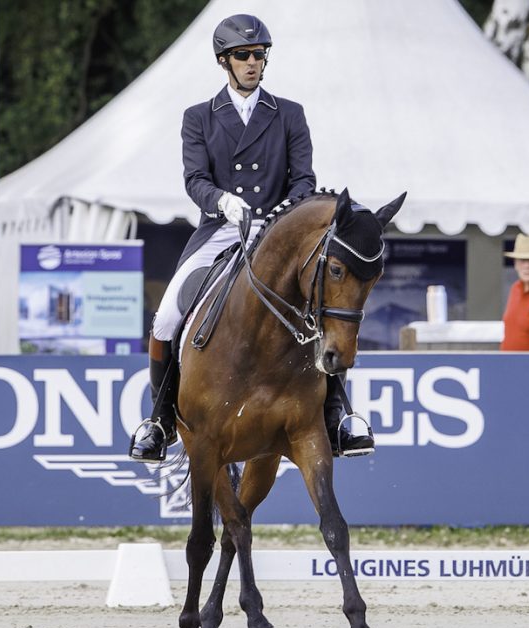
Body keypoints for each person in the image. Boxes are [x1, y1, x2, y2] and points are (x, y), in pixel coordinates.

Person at [130, 14, 374, 462]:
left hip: (279, 235)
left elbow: (304, 179)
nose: (253, 63)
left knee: (320, 310)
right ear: (224, 61)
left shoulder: (289, 114)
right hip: (221, 227)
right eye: (243, 56)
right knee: (166, 317)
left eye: (259, 55)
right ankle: (160, 420)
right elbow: (195, 179)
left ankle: (340, 416)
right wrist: (222, 201)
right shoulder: (199, 117)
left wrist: (281, 219)